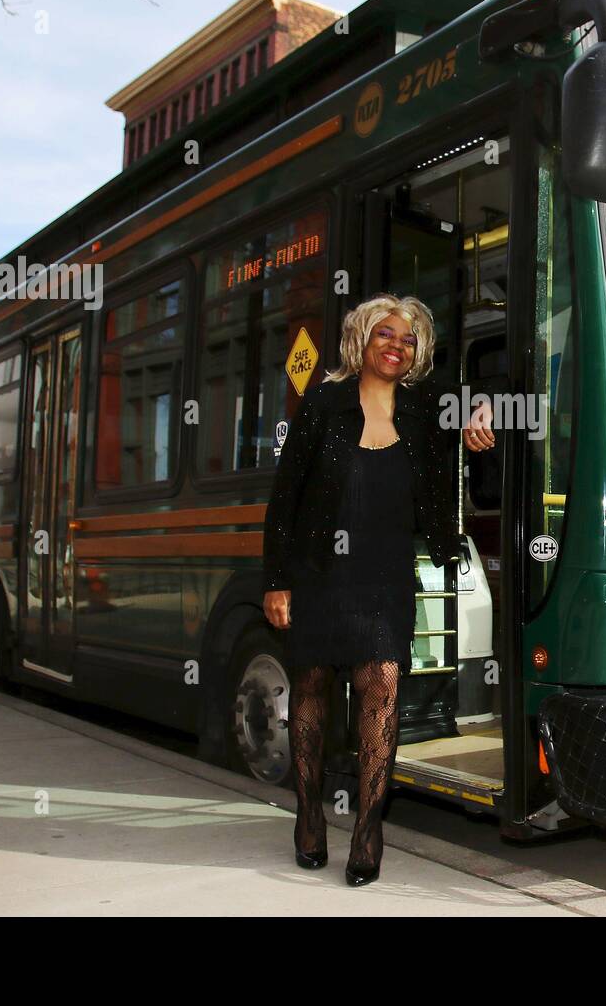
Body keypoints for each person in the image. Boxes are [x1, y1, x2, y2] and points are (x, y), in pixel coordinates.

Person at [261, 293, 495, 886]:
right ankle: (309, 813)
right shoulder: (324, 402)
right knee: (312, 686)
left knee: (382, 685)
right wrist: (277, 582)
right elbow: (285, 498)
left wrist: (481, 412)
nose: (397, 346)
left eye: (409, 338)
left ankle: (368, 826)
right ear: (362, 341)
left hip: (386, 571)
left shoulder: (423, 407)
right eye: (385, 335)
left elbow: (479, 395)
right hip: (320, 570)